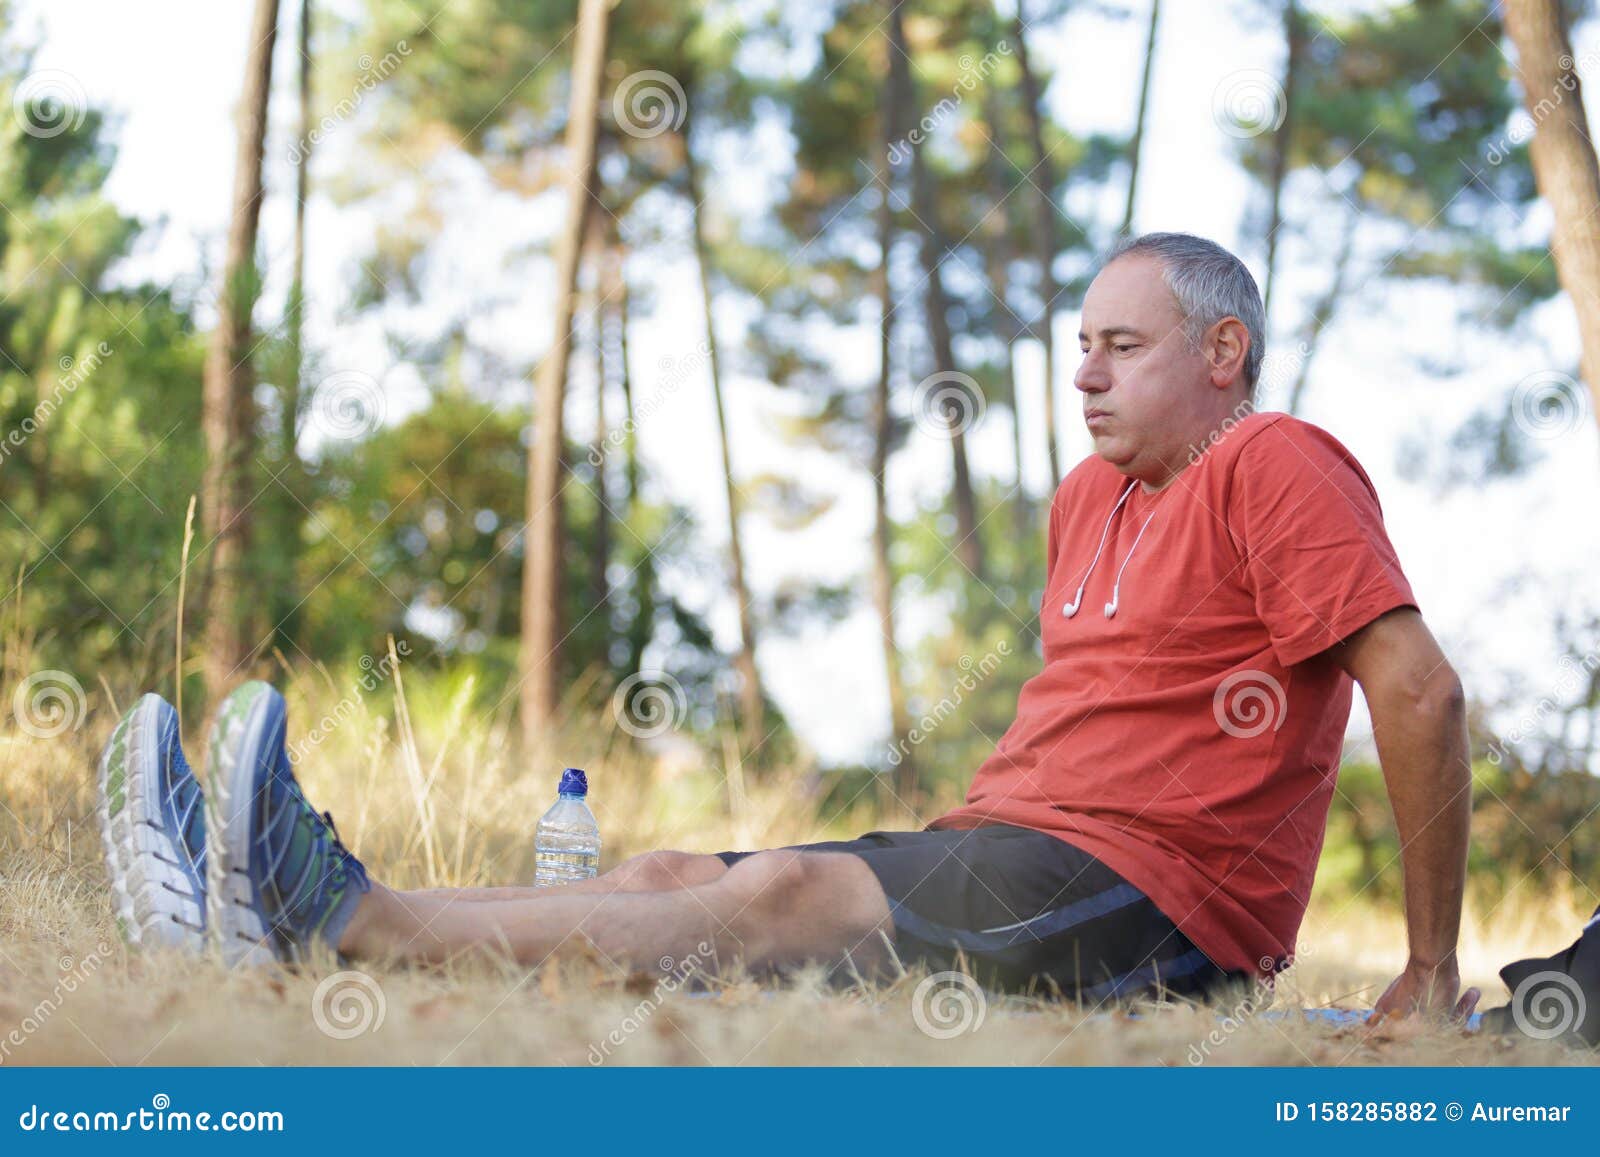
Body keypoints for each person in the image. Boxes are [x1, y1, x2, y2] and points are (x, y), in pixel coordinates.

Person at [97, 232, 1481, 1019]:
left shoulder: (1275, 458)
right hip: (1015, 852)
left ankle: (339, 917)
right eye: (1079, 343)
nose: (1084, 372)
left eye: (1122, 345)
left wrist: (1425, 968)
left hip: (1164, 899)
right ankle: (272, 905)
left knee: (777, 901)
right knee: (663, 870)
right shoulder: (1086, 498)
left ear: (1222, 353)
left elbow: (1418, 694)